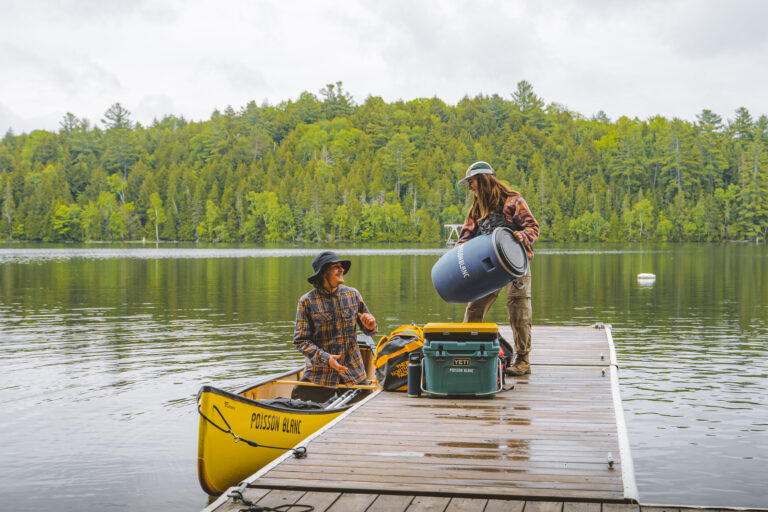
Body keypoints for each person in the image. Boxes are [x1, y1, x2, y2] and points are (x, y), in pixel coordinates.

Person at [456, 161, 540, 376]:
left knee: (518, 309)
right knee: (475, 306)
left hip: (516, 266)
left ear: (483, 180)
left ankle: (523, 360)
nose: (469, 187)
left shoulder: (513, 201)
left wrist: (522, 236)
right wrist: (456, 257)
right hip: (488, 267)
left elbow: (533, 227)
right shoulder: (476, 209)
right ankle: (469, 351)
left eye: (471, 182)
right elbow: (465, 238)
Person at [292, 250, 377, 403]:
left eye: (341, 267)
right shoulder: (306, 302)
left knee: (366, 408)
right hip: (319, 374)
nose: (341, 270)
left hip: (353, 372)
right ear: (324, 273)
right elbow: (301, 341)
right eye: (336, 267)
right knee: (297, 404)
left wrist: (370, 325)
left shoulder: (353, 295)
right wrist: (326, 358)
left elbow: (369, 330)